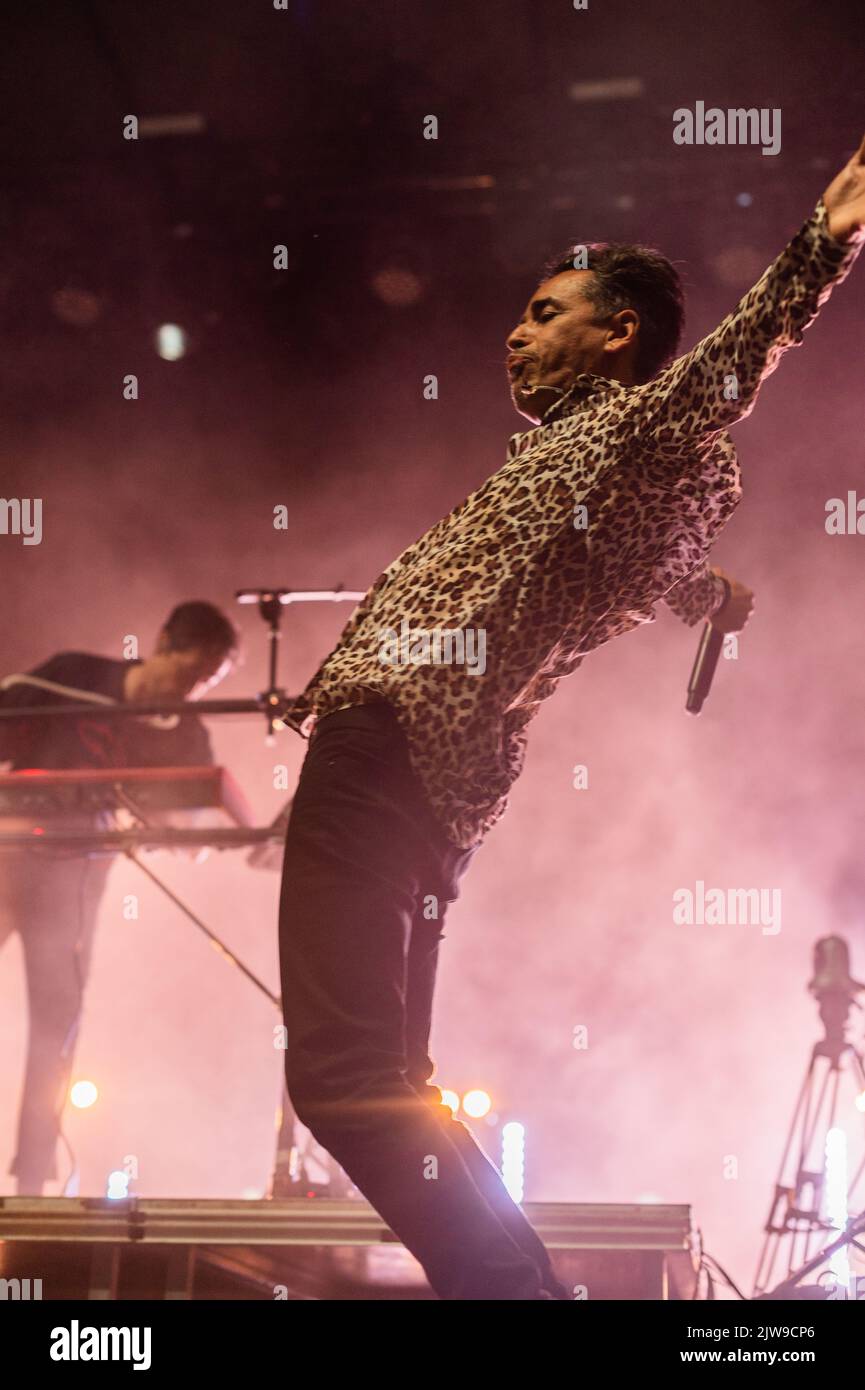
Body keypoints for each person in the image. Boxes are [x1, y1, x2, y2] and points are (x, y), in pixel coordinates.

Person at [277, 140, 865, 1299]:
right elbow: (634, 569)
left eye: (546, 312)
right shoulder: (597, 469)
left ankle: (511, 1294)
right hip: (431, 788)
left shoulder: (628, 429)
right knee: (391, 1074)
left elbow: (733, 363)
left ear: (617, 335)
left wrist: (825, 235)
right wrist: (705, 591)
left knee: (343, 1074)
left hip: (388, 742)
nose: (513, 331)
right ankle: (516, 1289)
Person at [0, 601, 238, 1195]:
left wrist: (184, 834)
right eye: (189, 672)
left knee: (56, 1017)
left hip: (75, 878)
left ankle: (31, 1178)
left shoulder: (187, 733)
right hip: (5, 853)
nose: (191, 689)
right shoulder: (74, 674)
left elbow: (197, 831)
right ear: (162, 643)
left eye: (207, 682)